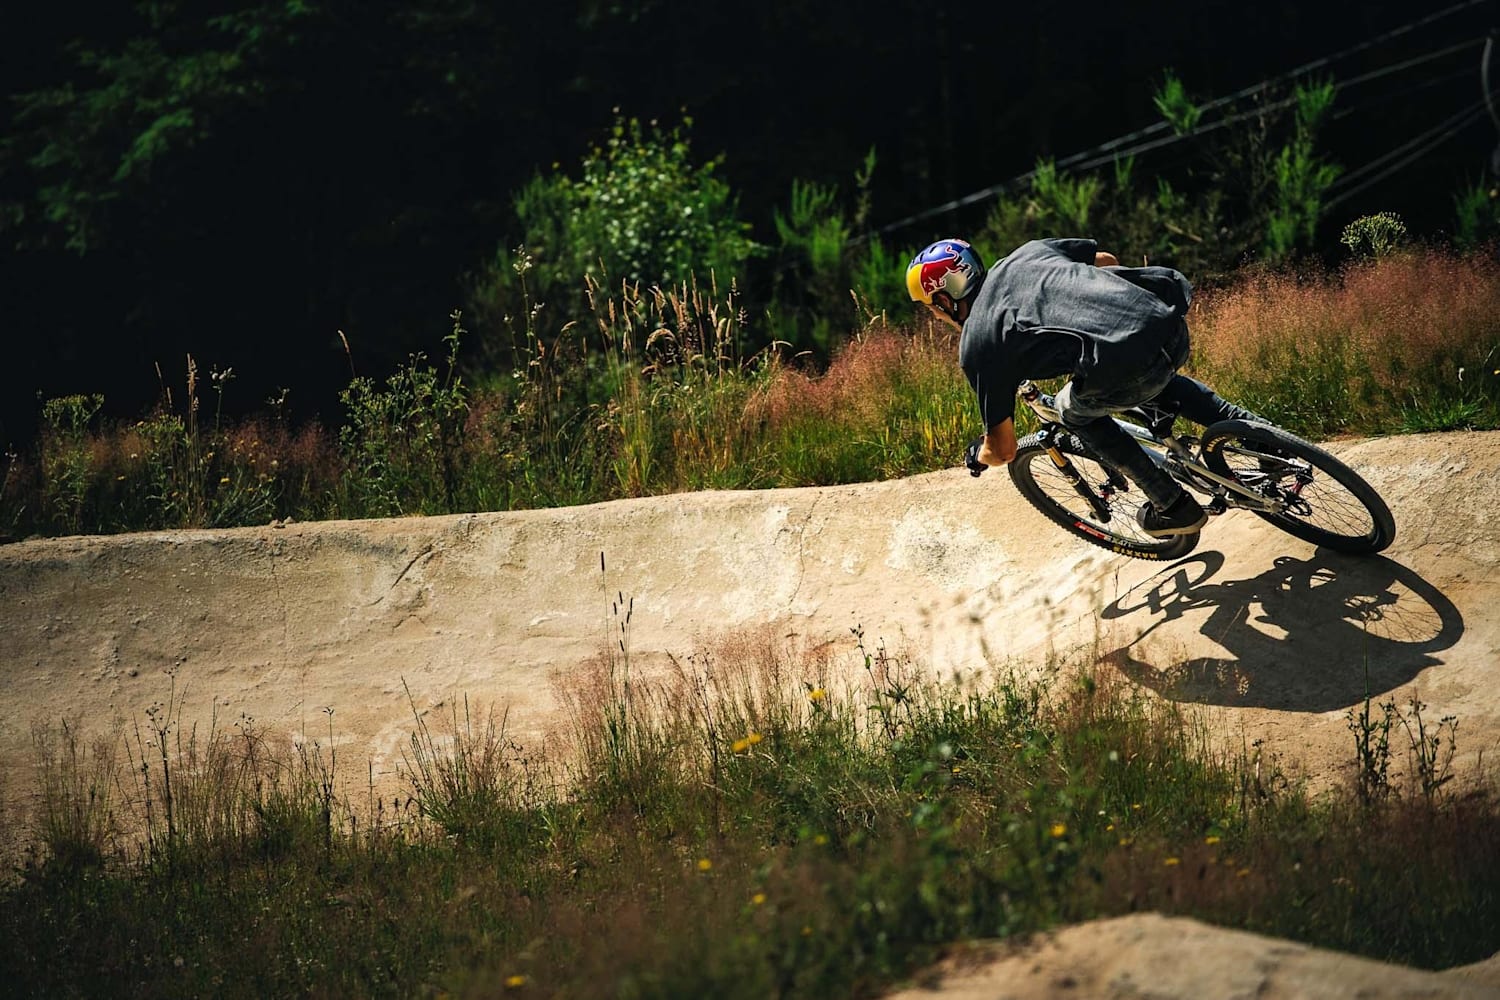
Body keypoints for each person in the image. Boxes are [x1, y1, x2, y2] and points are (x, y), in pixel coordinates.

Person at [905, 236, 1261, 537]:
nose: (935, 316)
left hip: (1129, 367)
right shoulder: (1027, 253)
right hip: (1167, 321)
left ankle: (1172, 505)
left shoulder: (978, 344)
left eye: (931, 308)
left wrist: (978, 453)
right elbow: (1106, 260)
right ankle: (1263, 436)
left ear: (945, 298)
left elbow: (1004, 450)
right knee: (1150, 373)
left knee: (1072, 412)